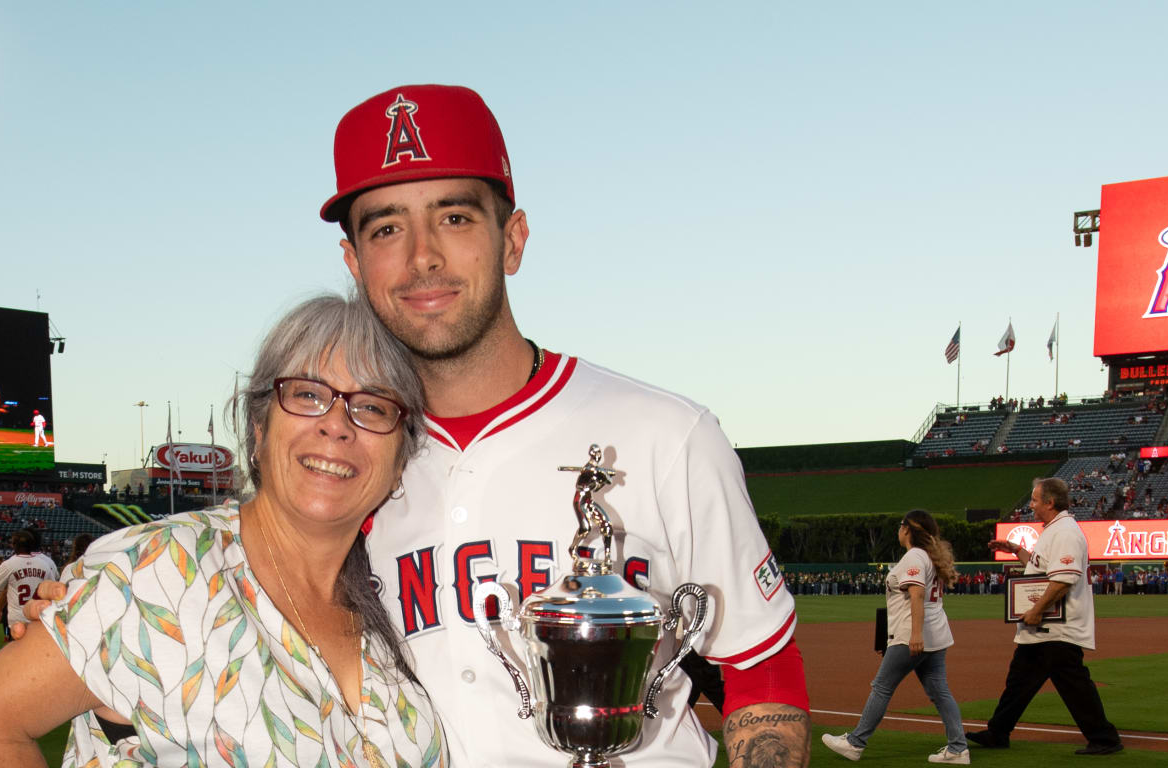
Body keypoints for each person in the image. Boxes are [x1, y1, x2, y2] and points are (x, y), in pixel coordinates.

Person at [324, 84, 810, 766]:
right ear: (354, 264)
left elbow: (763, 675)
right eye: (386, 228)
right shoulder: (348, 468)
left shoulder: (665, 435)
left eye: (455, 218)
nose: (422, 256)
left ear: (512, 240)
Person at [0, 295, 447, 767]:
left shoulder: (402, 590)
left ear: (401, 456)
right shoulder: (156, 568)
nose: (337, 424)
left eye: (373, 407)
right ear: (259, 428)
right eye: (308, 394)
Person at [966, 478, 1124, 756]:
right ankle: (998, 732)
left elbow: (1063, 579)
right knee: (1019, 681)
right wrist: (1016, 550)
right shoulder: (1054, 530)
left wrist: (1036, 611)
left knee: (1073, 684)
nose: (1031, 504)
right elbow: (1040, 568)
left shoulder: (1065, 532)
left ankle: (1105, 738)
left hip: (1057, 626)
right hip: (1046, 627)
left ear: (1050, 503)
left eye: (1035, 499)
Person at [822, 510, 968, 764]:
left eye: (901, 525)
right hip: (936, 633)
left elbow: (916, 596)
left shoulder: (914, 556)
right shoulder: (928, 556)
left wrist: (914, 635)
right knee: (939, 690)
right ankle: (958, 748)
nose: (898, 530)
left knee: (881, 687)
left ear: (908, 529)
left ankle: (855, 743)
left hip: (913, 633)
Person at [0, 529, 57, 635]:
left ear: (15, 545)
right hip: (39, 618)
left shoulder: (8, 564)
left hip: (18, 620)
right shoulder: (44, 564)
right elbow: (53, 590)